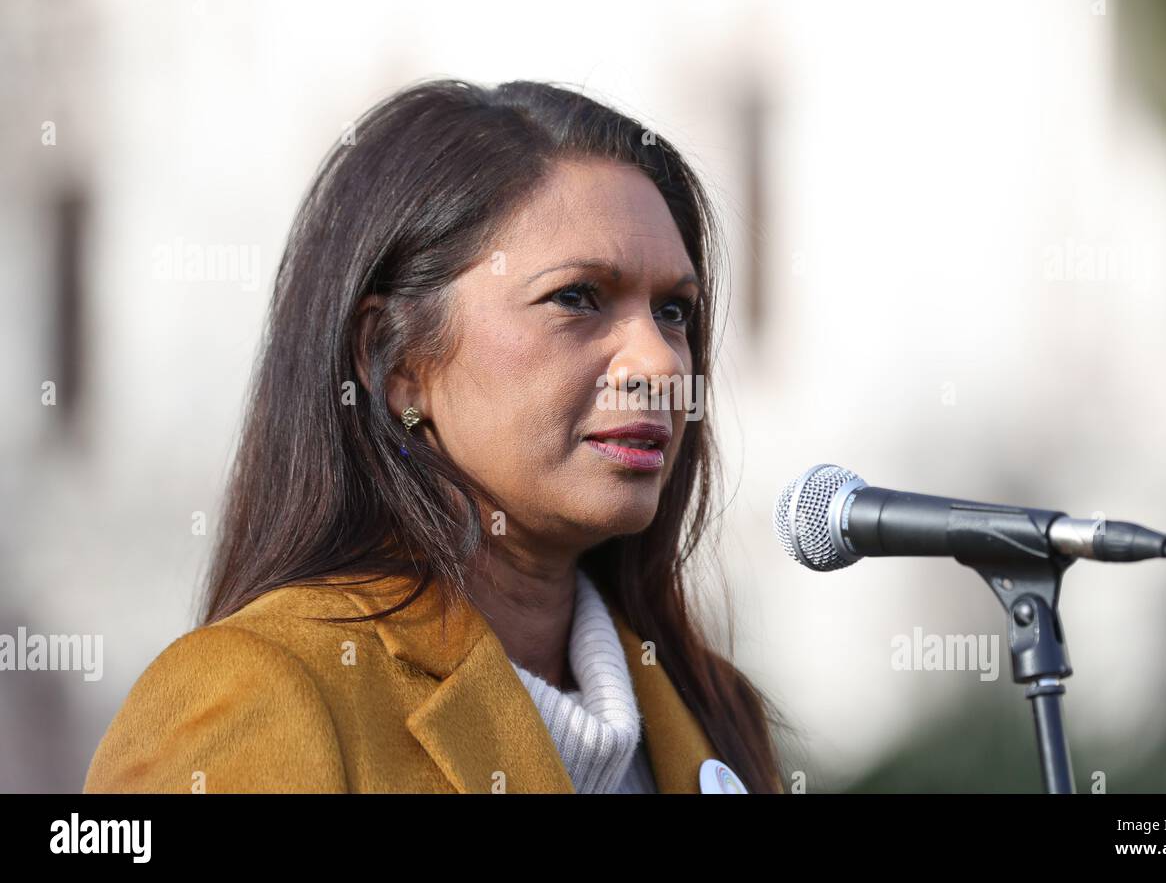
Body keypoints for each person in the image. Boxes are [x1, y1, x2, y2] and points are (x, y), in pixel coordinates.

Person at [84, 78, 790, 794]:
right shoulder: (262, 691)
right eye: (576, 297)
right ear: (395, 363)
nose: (659, 362)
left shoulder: (713, 712)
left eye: (674, 311)